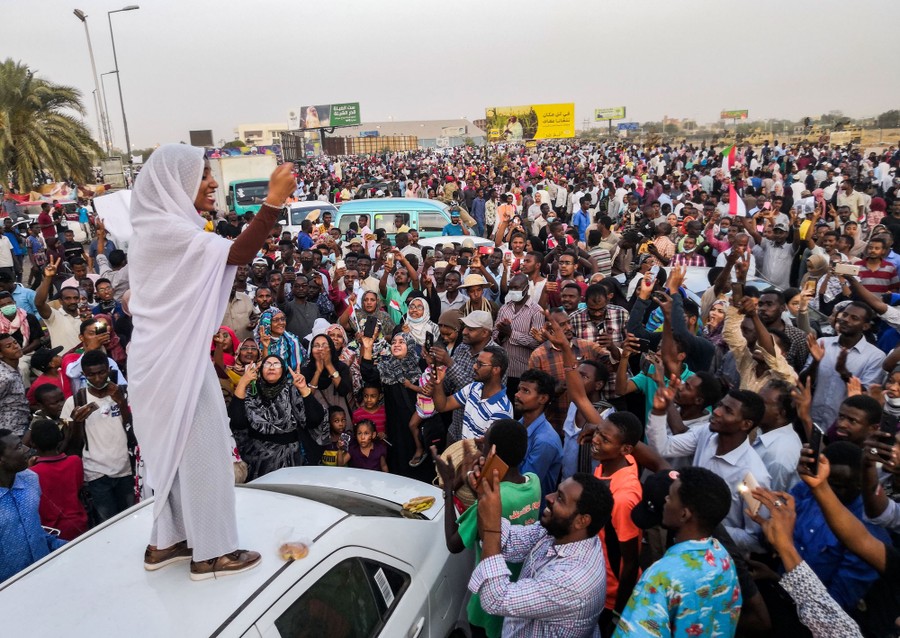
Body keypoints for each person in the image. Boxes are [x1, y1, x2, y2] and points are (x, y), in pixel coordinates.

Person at [128, 144, 294, 580]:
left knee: (174, 456)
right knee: (206, 454)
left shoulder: (152, 230)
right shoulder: (166, 230)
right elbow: (237, 254)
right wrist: (273, 201)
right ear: (174, 184)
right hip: (174, 364)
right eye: (202, 176)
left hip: (161, 361)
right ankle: (212, 552)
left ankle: (170, 540)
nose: (213, 182)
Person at [468, 469, 613, 637]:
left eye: (560, 498)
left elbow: (496, 599)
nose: (548, 497)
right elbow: (507, 542)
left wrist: (492, 527)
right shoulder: (559, 531)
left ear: (582, 521)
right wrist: (483, 497)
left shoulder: (572, 581)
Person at [433, 419, 541, 638]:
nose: (479, 441)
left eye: (485, 440)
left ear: (492, 453)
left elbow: (453, 543)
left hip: (487, 607)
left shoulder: (490, 503)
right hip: (519, 594)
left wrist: (449, 487)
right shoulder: (533, 482)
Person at [613, 467, 742, 638]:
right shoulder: (723, 557)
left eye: (670, 497)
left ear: (684, 514)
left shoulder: (660, 576)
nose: (665, 499)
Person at [646, 380, 770, 552]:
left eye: (728, 411)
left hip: (717, 558)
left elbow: (754, 539)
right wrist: (659, 411)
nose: (717, 412)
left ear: (746, 424)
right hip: (680, 538)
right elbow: (664, 447)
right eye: (720, 405)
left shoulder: (753, 475)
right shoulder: (706, 432)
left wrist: (703, 528)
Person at [746, 486, 864, 638]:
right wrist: (775, 577)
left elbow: (829, 616)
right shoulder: (806, 494)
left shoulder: (866, 528)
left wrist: (785, 547)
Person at [59, 349, 134, 522]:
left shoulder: (124, 393)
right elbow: (72, 446)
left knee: (131, 518)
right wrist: (77, 422)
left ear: (109, 370)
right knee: (108, 524)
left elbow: (136, 430)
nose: (98, 378)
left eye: (101, 372)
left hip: (126, 468)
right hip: (96, 473)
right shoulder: (75, 401)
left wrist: (121, 403)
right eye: (91, 375)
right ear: (84, 375)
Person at [230, 355, 325, 477]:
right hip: (257, 458)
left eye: (276, 364)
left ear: (283, 370)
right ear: (260, 370)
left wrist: (303, 389)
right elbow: (236, 422)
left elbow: (315, 420)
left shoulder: (292, 390)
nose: (271, 367)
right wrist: (243, 383)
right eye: (267, 364)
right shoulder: (251, 392)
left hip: (289, 459)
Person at [0, 429, 67, 583]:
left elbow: (35, 530)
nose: (27, 450)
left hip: (45, 575)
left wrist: (71, 546)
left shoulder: (31, 479)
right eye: (18, 447)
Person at [432, 345, 513, 441]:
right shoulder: (474, 388)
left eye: (480, 364)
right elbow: (443, 406)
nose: (474, 367)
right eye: (476, 363)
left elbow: (490, 449)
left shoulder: (502, 411)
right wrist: (438, 383)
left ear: (496, 370)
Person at [27, 418, 88, 541]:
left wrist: (29, 468)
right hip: (80, 523)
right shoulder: (75, 461)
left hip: (53, 532)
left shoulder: (32, 473)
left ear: (33, 443)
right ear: (60, 437)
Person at [514, 369, 563, 501]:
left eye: (526, 391)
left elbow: (525, 484)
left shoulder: (545, 441)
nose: (517, 395)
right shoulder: (518, 426)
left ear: (543, 398)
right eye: (519, 389)